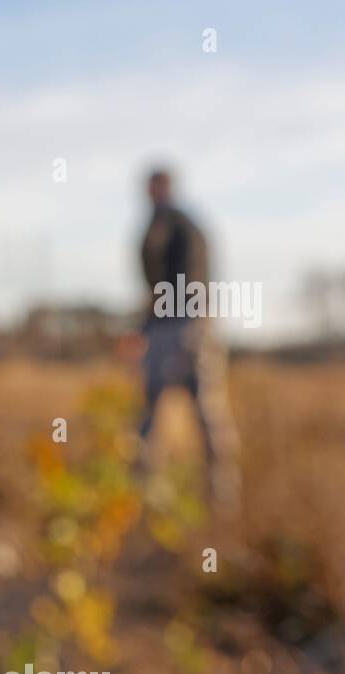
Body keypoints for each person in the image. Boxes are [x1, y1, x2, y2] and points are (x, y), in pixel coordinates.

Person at [138, 168, 239, 508]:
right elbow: (155, 285)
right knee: (151, 411)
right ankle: (147, 500)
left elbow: (183, 279)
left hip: (186, 325)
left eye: (156, 187)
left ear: (165, 187)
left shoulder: (177, 225)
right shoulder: (158, 225)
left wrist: (185, 323)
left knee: (205, 409)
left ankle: (221, 500)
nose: (151, 193)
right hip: (169, 325)